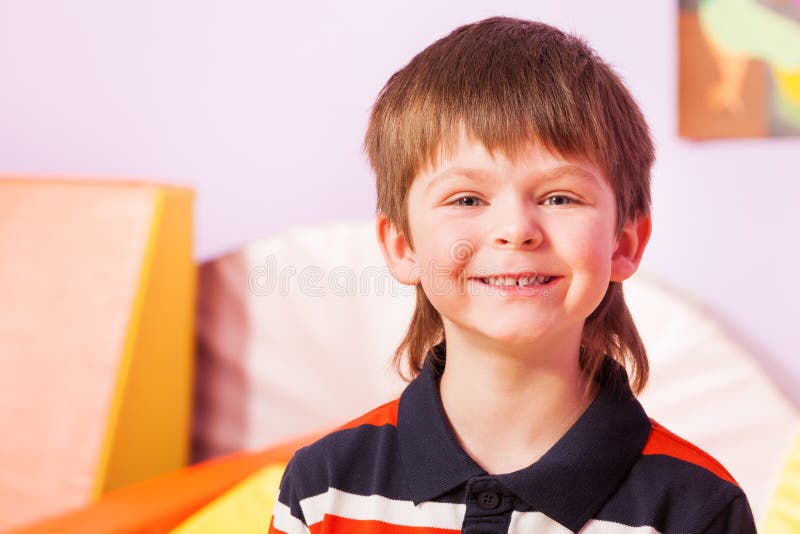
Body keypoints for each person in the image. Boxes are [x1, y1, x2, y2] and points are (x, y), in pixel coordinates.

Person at [268, 16, 757, 533]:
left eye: (559, 197)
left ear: (625, 242)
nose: (516, 230)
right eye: (467, 198)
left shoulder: (697, 509)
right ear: (402, 245)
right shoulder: (322, 488)